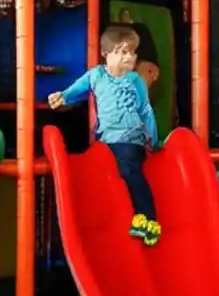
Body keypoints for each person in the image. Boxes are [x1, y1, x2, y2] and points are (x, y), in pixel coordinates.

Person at [48, 24, 161, 245]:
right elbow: (76, 90)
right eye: (122, 51)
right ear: (106, 53)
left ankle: (148, 219)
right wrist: (62, 97)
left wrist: (153, 140)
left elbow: (145, 110)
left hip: (130, 138)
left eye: (132, 52)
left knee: (129, 171)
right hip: (105, 140)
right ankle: (110, 220)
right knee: (105, 174)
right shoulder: (96, 75)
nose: (129, 57)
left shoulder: (135, 80)